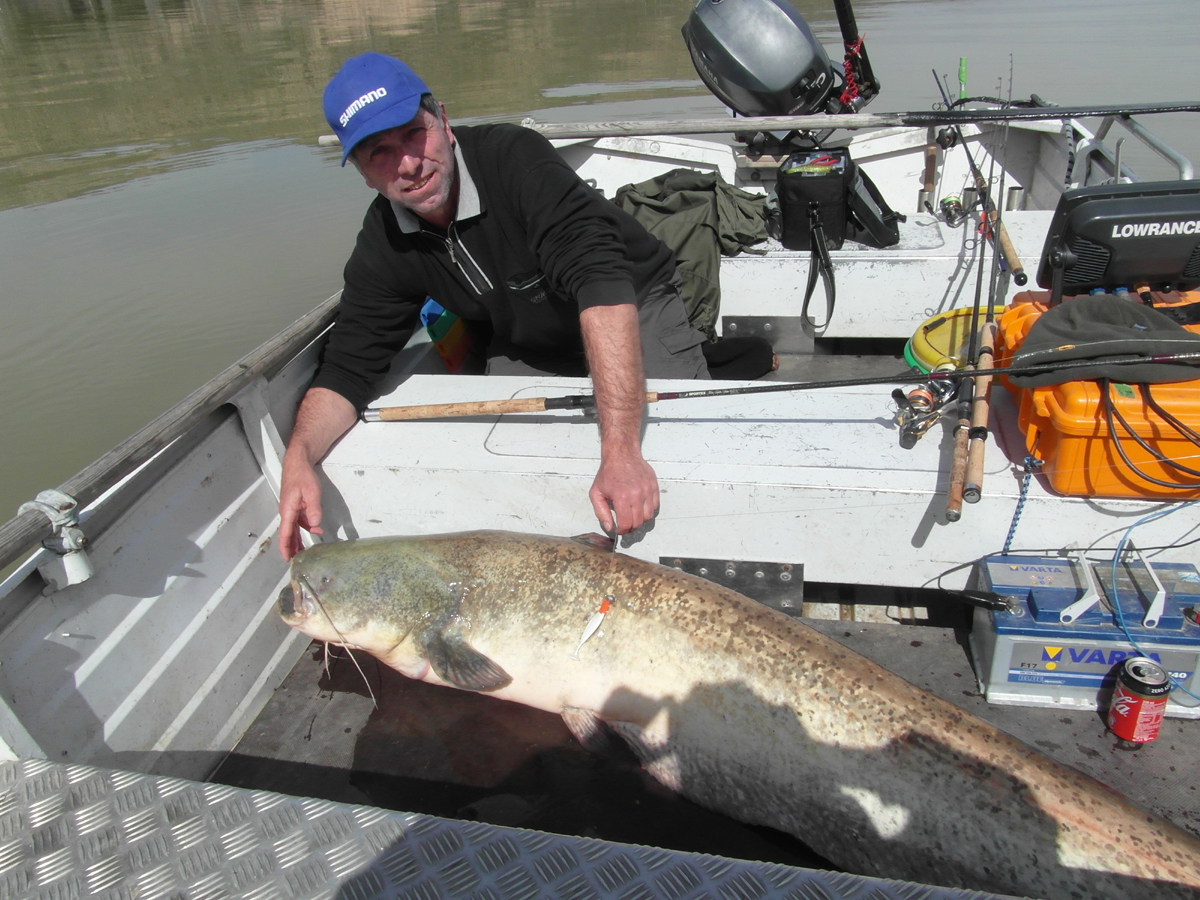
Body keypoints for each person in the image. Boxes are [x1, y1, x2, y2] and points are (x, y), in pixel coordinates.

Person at [278, 52, 710, 560]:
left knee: (680, 452)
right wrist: (299, 456)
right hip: (527, 335)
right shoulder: (384, 242)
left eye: (414, 133)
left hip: (629, 302)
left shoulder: (514, 159)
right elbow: (349, 367)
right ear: (363, 175)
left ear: (443, 121)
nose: (409, 164)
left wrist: (622, 453)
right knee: (505, 465)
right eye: (379, 153)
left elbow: (599, 282)